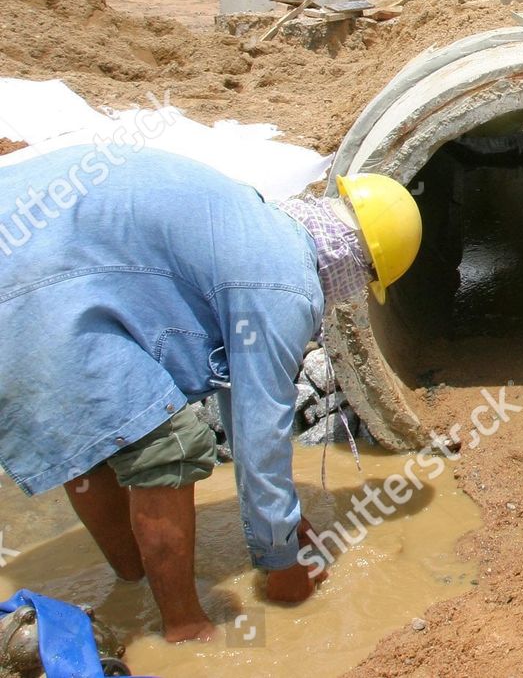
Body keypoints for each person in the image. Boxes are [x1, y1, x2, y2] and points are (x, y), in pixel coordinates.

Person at [0, 147, 422, 641]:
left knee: (98, 442)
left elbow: (241, 399)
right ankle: (184, 630)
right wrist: (281, 560)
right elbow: (262, 431)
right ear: (359, 261)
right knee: (169, 446)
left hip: (29, 242)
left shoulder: (253, 223)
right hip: (31, 281)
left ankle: (133, 582)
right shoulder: (285, 282)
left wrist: (281, 524)